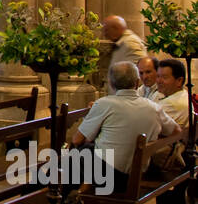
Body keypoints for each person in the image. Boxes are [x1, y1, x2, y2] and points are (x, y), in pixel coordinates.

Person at [70, 60, 181, 192]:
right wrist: (153, 143)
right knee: (81, 156)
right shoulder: (154, 108)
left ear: (111, 83)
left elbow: (77, 140)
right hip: (137, 173)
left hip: (109, 175)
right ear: (137, 82)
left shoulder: (104, 104)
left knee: (74, 156)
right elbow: (177, 131)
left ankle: (58, 200)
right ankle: (76, 196)